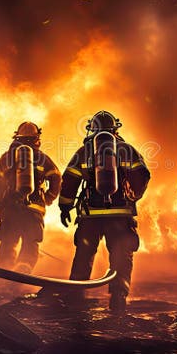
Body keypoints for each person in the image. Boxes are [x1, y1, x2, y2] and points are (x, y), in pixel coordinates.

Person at [58, 110, 150, 313]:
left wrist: (65, 207)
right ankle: (118, 297)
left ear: (92, 128)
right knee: (121, 256)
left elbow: (69, 181)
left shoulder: (84, 152)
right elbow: (142, 176)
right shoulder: (127, 150)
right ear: (115, 128)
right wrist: (132, 196)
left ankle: (75, 298)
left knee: (84, 254)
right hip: (120, 216)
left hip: (90, 217)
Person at [0, 122, 61, 273]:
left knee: (8, 242)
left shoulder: (7, 157)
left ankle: (4, 273)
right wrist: (48, 198)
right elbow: (56, 177)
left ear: (17, 137)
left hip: (10, 209)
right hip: (34, 211)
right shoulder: (42, 158)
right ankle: (24, 269)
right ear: (37, 138)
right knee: (31, 243)